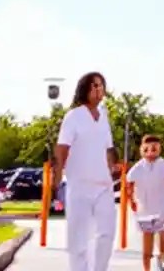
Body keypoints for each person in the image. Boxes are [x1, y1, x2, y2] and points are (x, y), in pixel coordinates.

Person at [54, 72, 120, 271]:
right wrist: (56, 178)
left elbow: (109, 148)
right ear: (85, 89)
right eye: (94, 86)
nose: (99, 90)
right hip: (79, 185)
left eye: (101, 86)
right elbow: (62, 148)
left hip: (103, 186)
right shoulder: (74, 116)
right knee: (79, 239)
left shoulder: (104, 115)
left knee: (106, 234)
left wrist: (112, 167)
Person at [127, 134, 164, 271]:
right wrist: (131, 200)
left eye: (154, 149)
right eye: (147, 149)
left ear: (159, 149)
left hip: (163, 208)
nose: (151, 152)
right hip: (145, 209)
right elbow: (129, 184)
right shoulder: (138, 168)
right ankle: (146, 268)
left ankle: (161, 259)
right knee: (147, 245)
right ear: (142, 149)